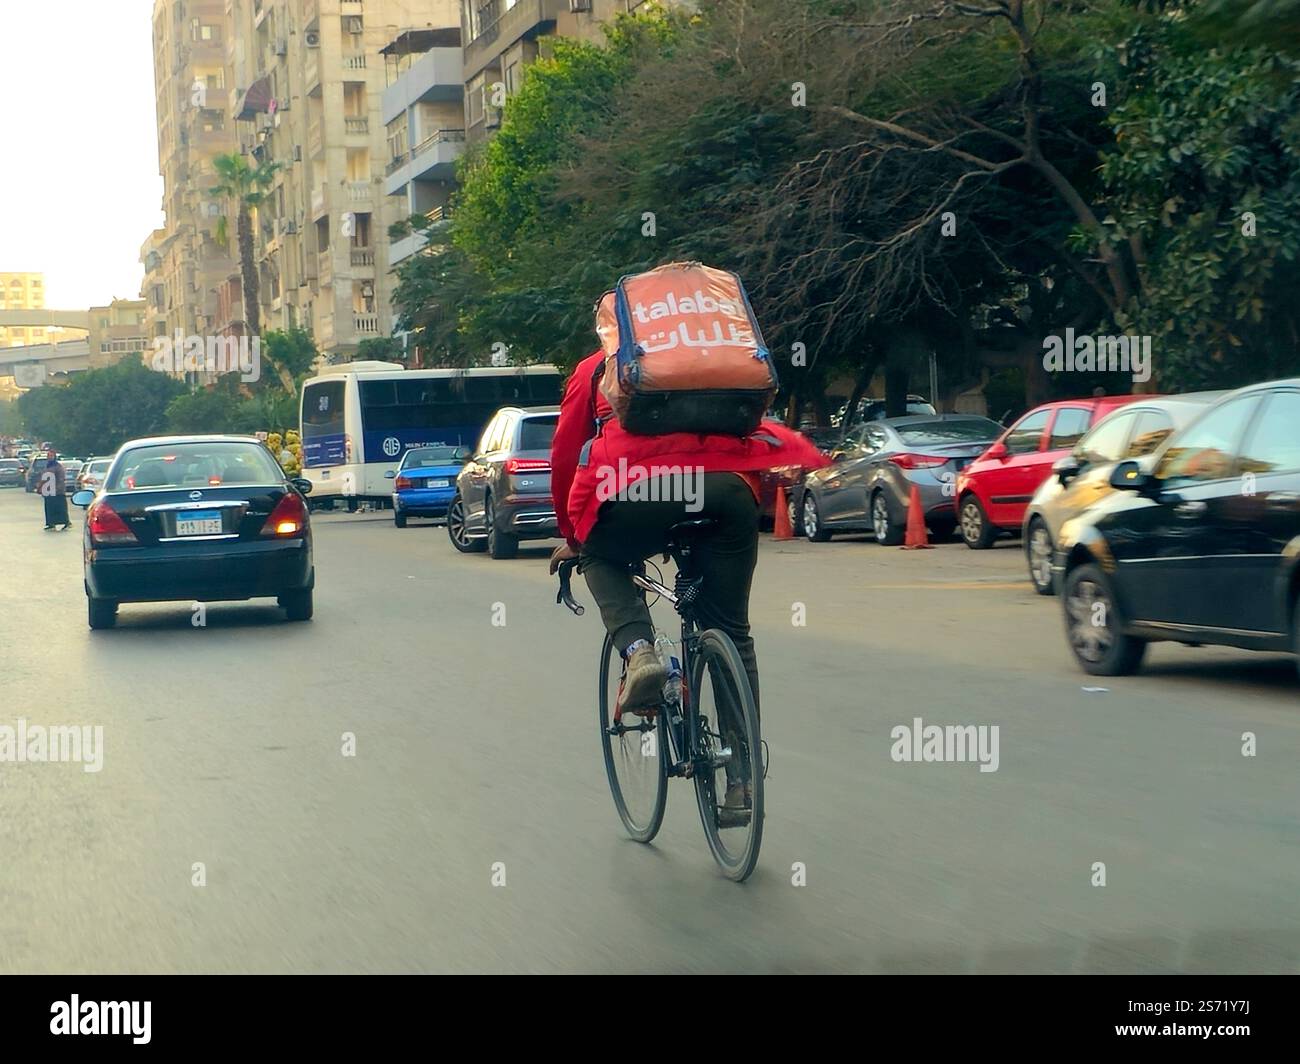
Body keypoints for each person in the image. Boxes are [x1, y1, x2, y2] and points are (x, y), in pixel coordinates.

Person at [549, 349, 828, 809]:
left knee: (597, 555)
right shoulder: (721, 357)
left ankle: (640, 656)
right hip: (729, 490)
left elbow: (565, 451)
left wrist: (573, 533)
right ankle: (743, 782)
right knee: (732, 632)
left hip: (641, 487)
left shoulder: (600, 365)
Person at [39, 451, 70, 531]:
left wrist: (57, 489)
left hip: (58, 492)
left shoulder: (58, 467)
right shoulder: (47, 466)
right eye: (48, 455)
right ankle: (50, 523)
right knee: (49, 508)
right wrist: (40, 487)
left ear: (54, 457)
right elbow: (43, 479)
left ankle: (66, 522)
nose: (49, 457)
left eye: (51, 455)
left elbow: (61, 479)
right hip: (48, 491)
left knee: (61, 508)